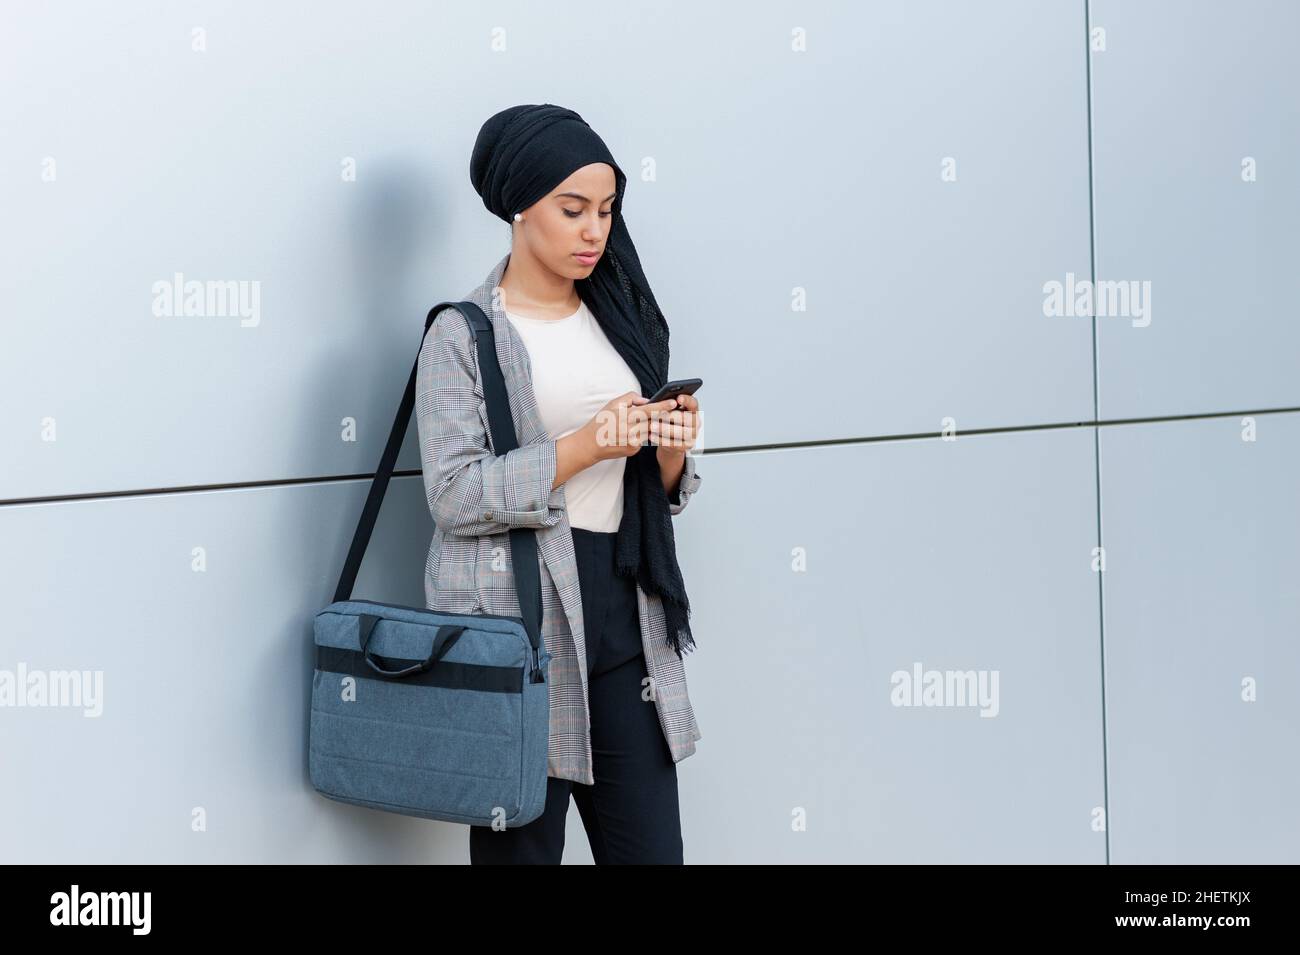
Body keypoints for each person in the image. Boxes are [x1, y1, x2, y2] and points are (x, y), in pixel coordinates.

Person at [415, 104, 705, 864]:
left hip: (623, 617)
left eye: (606, 210)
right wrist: (581, 446)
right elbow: (452, 493)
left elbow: (648, 488)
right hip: (521, 628)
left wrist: (667, 451)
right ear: (518, 206)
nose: (593, 231)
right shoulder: (462, 334)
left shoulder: (621, 317)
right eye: (572, 209)